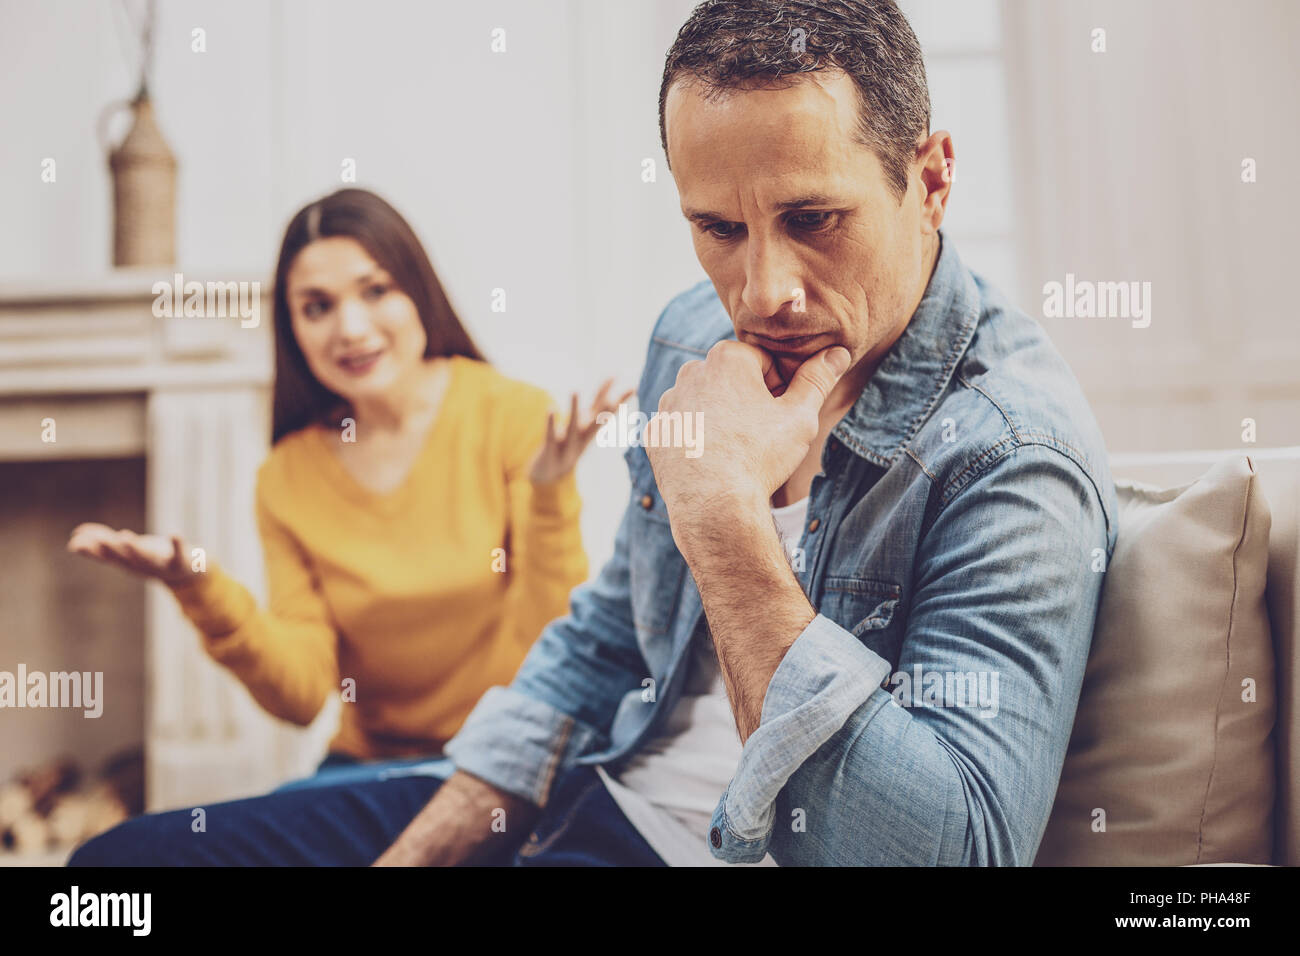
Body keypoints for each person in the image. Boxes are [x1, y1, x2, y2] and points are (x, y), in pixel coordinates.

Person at [72, 0, 1118, 867]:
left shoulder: (1009, 450)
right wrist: (422, 850)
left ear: (930, 179)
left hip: (722, 846)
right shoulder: (692, 334)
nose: (760, 290)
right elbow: (606, 638)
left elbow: (952, 853)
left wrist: (722, 517)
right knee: (118, 873)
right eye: (717, 228)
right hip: (584, 784)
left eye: (813, 218)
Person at [66, 188, 624, 832]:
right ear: (292, 327)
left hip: (510, 765)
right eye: (318, 307)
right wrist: (199, 587)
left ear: (417, 289)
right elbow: (303, 694)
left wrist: (550, 493)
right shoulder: (288, 475)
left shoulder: (511, 416)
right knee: (120, 857)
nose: (351, 328)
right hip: (371, 770)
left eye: (375, 290)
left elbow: (546, 648)